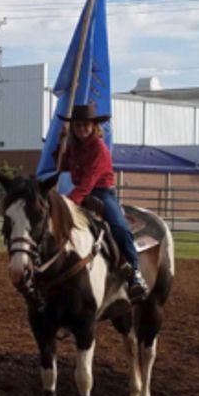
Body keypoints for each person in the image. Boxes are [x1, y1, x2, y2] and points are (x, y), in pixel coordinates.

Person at [56, 103, 147, 301]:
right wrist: (60, 142)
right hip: (80, 192)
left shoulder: (99, 148)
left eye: (86, 125)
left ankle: (136, 274)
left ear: (93, 126)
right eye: (78, 125)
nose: (82, 128)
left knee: (119, 227)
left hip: (101, 193)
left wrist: (70, 201)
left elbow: (89, 180)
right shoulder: (73, 147)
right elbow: (61, 164)